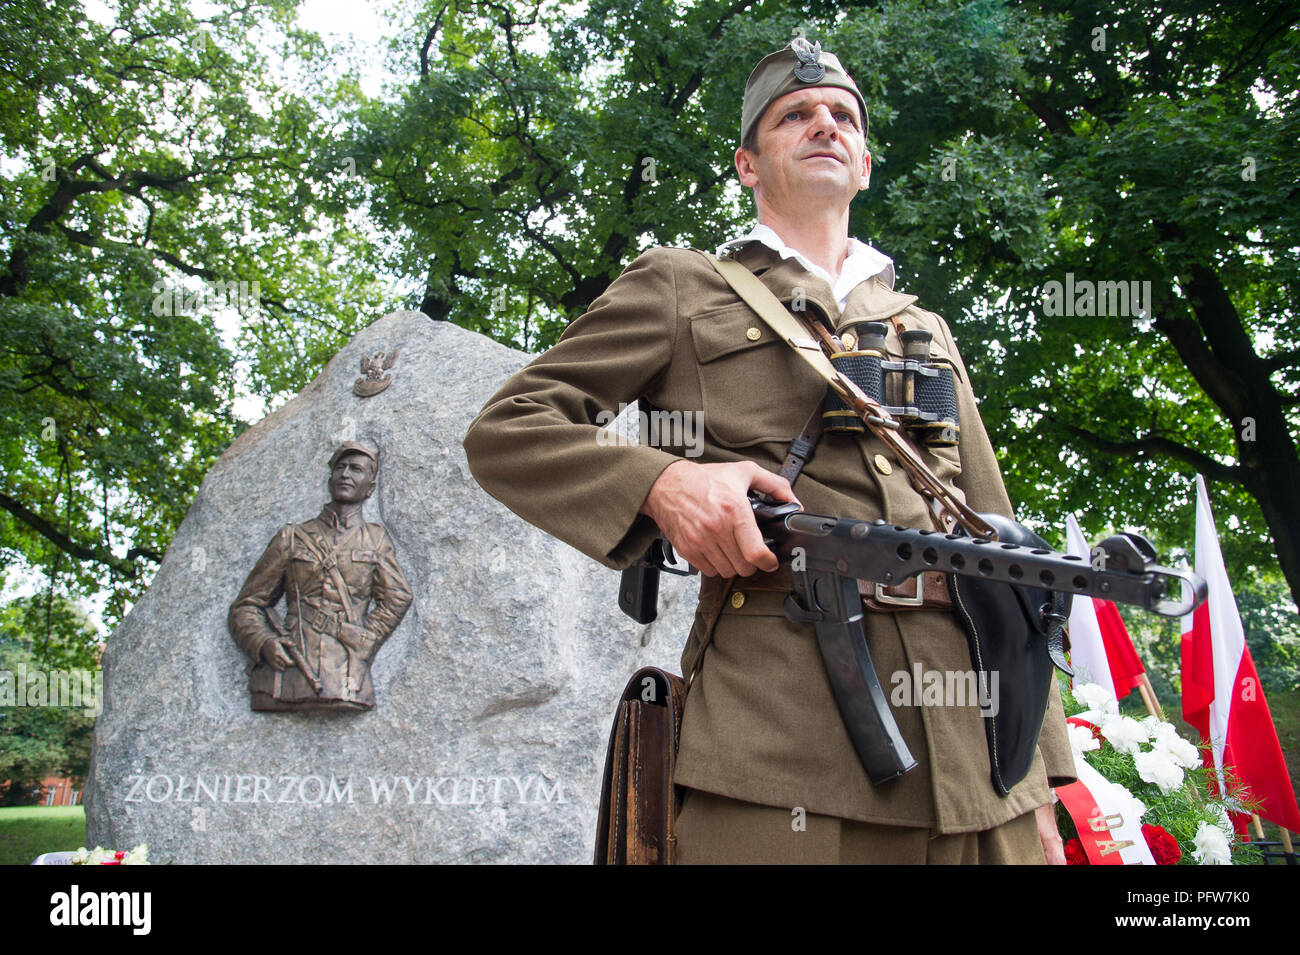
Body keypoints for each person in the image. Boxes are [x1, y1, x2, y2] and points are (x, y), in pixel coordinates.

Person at [463, 39, 1074, 863]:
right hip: (781, 752)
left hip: (978, 762)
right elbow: (510, 428)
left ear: (863, 164)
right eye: (795, 115)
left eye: (843, 117)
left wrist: (1047, 774)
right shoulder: (681, 285)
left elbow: (1004, 552)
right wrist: (664, 482)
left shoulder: (925, 329)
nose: (824, 123)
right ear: (749, 165)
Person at [228, 442, 413, 712]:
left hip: (346, 676)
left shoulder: (375, 539)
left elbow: (398, 596)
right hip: (290, 671)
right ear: (330, 479)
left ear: (370, 488)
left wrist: (363, 639)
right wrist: (263, 642)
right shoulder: (292, 537)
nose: (346, 475)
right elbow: (247, 604)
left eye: (356, 470)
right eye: (340, 468)